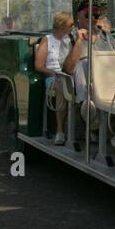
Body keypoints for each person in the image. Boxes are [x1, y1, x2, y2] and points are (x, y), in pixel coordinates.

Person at [34, 11, 74, 144]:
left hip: (70, 75)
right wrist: (54, 73)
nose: (72, 27)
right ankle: (60, 130)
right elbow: (39, 65)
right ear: (62, 26)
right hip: (53, 76)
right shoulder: (47, 40)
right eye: (70, 24)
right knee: (62, 87)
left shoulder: (71, 40)